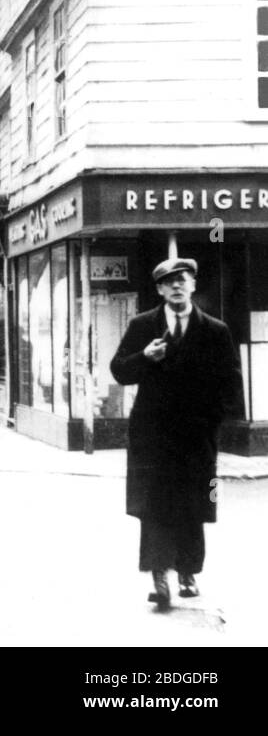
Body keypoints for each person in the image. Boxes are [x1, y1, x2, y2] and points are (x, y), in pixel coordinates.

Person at [109, 258, 242, 609]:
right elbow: (119, 370)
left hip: (195, 437)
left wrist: (212, 421)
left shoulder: (215, 330)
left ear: (193, 285)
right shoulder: (143, 325)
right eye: (169, 282)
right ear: (159, 290)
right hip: (152, 436)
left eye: (182, 280)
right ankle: (158, 579)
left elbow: (230, 383)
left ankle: (187, 571)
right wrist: (144, 356)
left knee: (192, 504)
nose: (176, 286)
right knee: (153, 507)